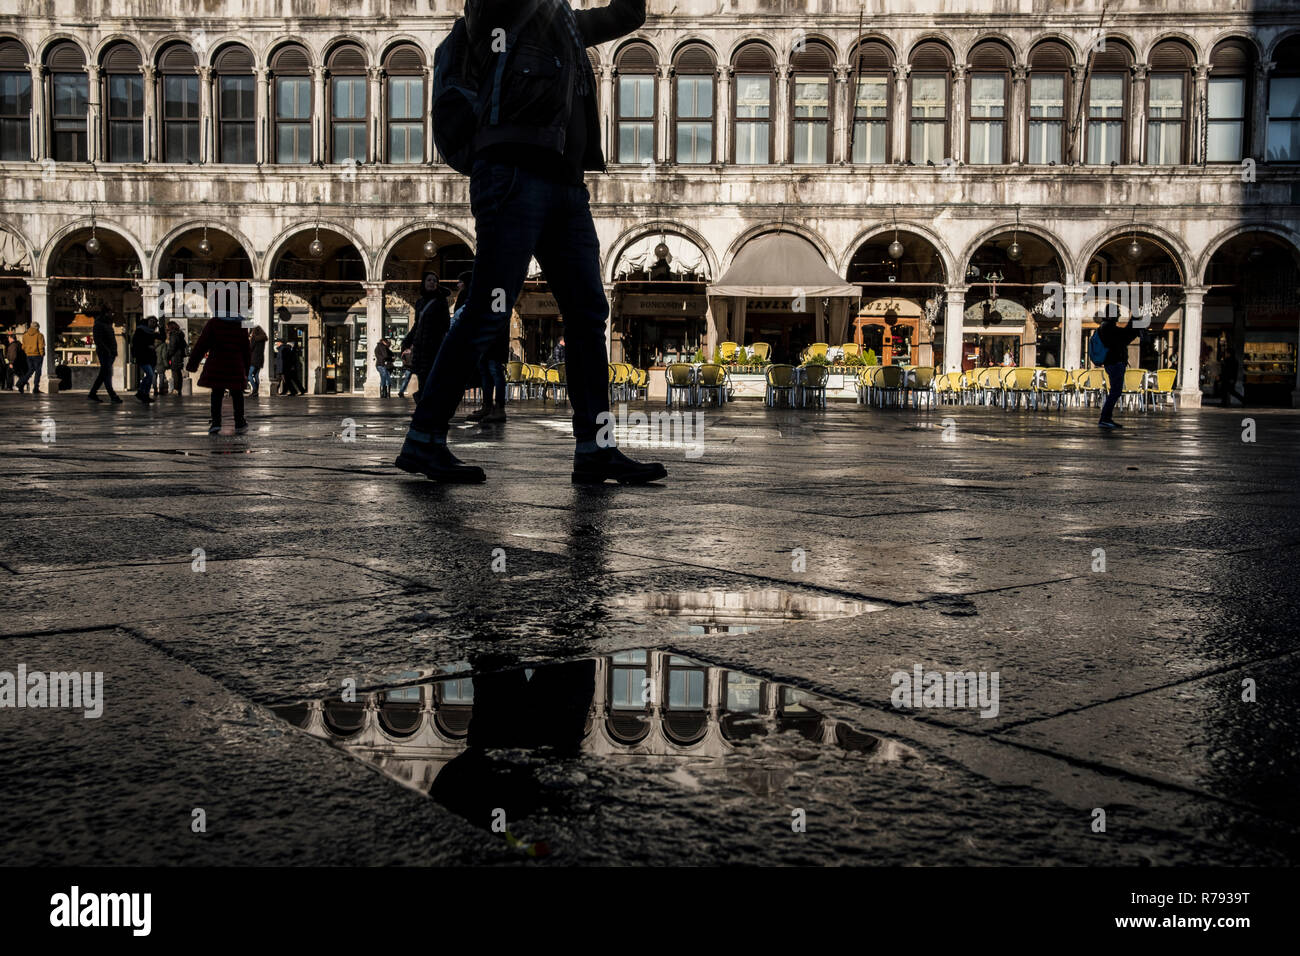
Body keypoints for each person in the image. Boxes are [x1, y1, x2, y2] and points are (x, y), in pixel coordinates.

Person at [396, 0, 665, 485]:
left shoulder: (565, 25)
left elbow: (627, 14)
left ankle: (595, 448)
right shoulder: (500, 11)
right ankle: (425, 438)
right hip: (513, 173)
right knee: (487, 310)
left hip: (565, 184)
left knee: (587, 315)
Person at [187, 312, 252, 434]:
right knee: (237, 393)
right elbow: (246, 348)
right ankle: (239, 422)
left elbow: (202, 344)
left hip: (217, 362)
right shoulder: (242, 323)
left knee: (217, 393)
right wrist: (246, 369)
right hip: (235, 364)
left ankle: (216, 422)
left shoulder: (214, 322)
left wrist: (193, 364)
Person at [399, 271, 451, 402]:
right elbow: (417, 325)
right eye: (429, 280)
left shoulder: (441, 301)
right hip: (420, 348)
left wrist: (436, 337)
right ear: (424, 282)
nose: (432, 282)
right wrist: (407, 341)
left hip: (434, 347)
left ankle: (424, 404)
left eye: (435, 281)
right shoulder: (420, 302)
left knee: (430, 378)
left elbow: (446, 325)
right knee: (422, 377)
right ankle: (423, 407)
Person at [1095, 312, 1143, 429]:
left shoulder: (1107, 327)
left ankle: (1106, 418)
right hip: (1114, 363)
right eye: (1117, 313)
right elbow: (1125, 336)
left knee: (1115, 391)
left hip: (1114, 363)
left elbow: (1124, 336)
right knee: (1115, 391)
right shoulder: (1108, 327)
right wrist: (1133, 322)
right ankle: (1105, 418)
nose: (1119, 315)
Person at [87, 307, 122, 403]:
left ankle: (93, 393)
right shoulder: (99, 324)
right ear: (106, 313)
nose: (112, 314)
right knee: (106, 374)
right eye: (111, 313)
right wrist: (107, 351)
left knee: (104, 374)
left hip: (110, 353)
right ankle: (112, 395)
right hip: (105, 353)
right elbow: (98, 340)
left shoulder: (108, 324)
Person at [131, 315, 163, 404]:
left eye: (155, 322)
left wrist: (161, 327)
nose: (153, 323)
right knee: (150, 374)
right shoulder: (140, 330)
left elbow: (163, 338)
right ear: (147, 321)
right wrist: (147, 347)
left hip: (151, 357)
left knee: (150, 376)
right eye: (151, 321)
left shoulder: (152, 332)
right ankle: (141, 392)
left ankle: (145, 395)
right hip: (142, 356)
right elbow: (136, 343)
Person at [21, 321, 44, 393]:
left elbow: (23, 346)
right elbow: (41, 346)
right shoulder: (39, 335)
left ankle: (20, 383)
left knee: (30, 370)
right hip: (37, 355)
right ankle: (35, 388)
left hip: (28, 355)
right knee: (38, 371)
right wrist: (42, 353)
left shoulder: (25, 335)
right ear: (37, 327)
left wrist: (27, 352)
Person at [166, 320, 187, 394]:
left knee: (175, 373)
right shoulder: (180, 334)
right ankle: (178, 389)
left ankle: (176, 389)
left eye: (167, 327)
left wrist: (168, 355)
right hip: (179, 356)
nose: (167, 328)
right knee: (178, 373)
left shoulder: (173, 335)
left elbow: (172, 347)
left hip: (175, 356)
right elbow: (184, 345)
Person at [248, 325, 269, 396]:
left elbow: (250, 348)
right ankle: (256, 391)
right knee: (256, 375)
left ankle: (255, 389)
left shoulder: (254, 338)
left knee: (249, 375)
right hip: (260, 359)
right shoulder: (262, 339)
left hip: (253, 359)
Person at [153, 324, 170, 396]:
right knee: (161, 377)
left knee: (153, 377)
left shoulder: (151, 343)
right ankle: (160, 390)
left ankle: (155, 390)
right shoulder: (163, 345)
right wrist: (166, 364)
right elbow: (164, 355)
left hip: (153, 363)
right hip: (160, 363)